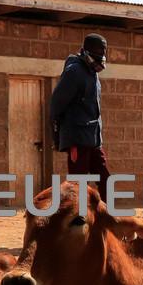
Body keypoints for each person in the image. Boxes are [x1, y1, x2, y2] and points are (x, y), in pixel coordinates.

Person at [50, 33, 110, 193]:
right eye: (98, 51)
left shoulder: (93, 73)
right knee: (78, 185)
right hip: (78, 138)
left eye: (103, 51)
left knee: (106, 180)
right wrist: (57, 136)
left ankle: (106, 216)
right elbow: (56, 104)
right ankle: (76, 217)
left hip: (94, 139)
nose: (101, 55)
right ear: (86, 50)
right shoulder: (74, 71)